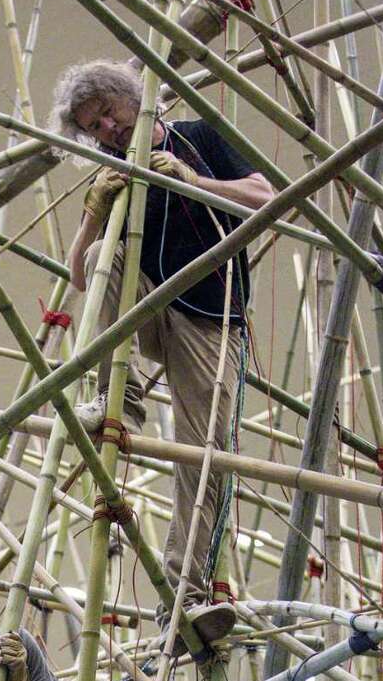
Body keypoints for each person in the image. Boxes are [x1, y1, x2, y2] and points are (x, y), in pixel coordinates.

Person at [49, 59, 274, 648]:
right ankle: (116, 395)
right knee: (103, 256)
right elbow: (82, 279)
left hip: (211, 318)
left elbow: (264, 197)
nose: (107, 129)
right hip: (149, 310)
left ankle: (186, 596)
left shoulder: (197, 137)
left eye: (108, 113)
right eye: (93, 127)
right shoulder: (115, 176)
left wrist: (191, 180)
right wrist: (94, 213)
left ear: (133, 97)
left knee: (204, 456)